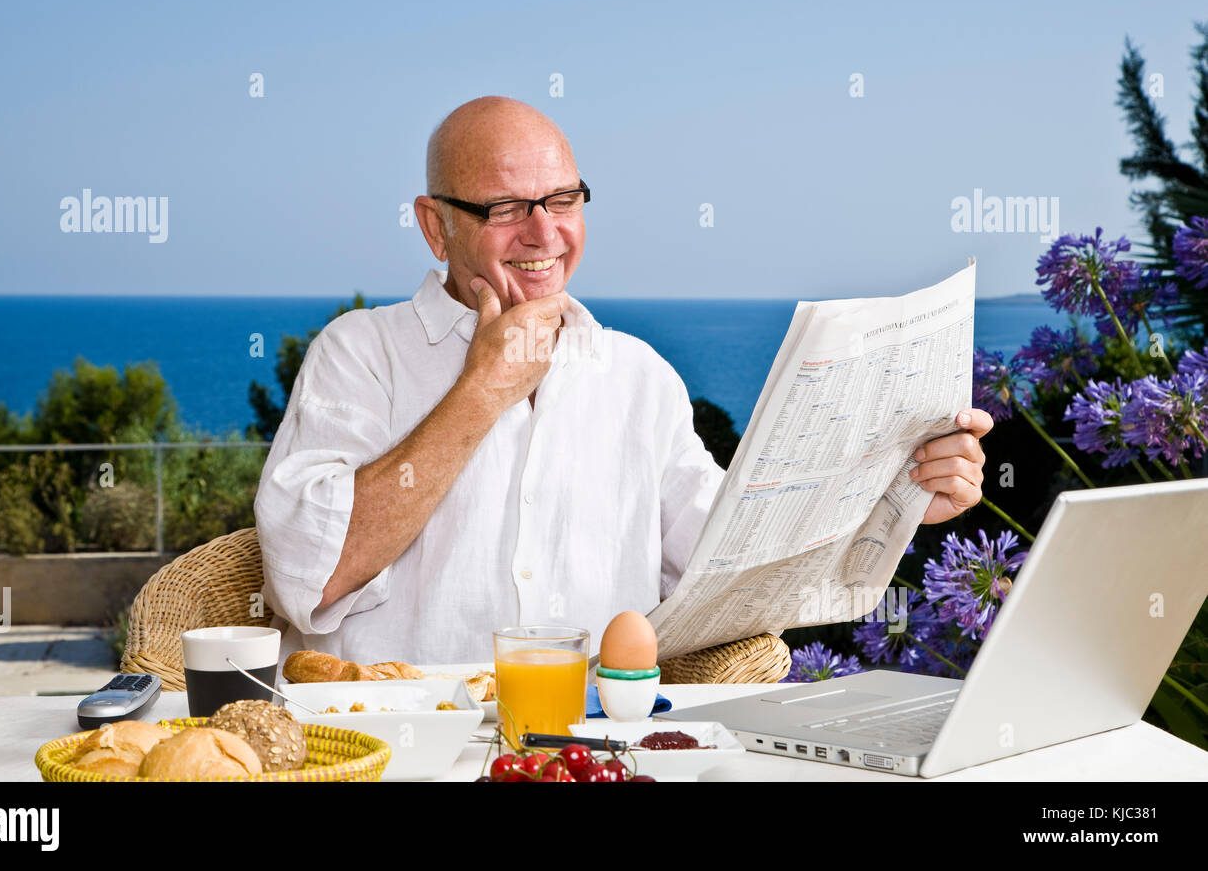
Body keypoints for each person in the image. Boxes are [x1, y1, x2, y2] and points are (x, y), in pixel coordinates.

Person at [254, 95, 992, 669]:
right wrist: (482, 391)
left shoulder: (640, 378)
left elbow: (729, 562)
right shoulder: (360, 354)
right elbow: (305, 576)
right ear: (435, 226)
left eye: (564, 200)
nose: (544, 234)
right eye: (506, 208)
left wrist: (897, 498)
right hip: (399, 755)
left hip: (592, 753)